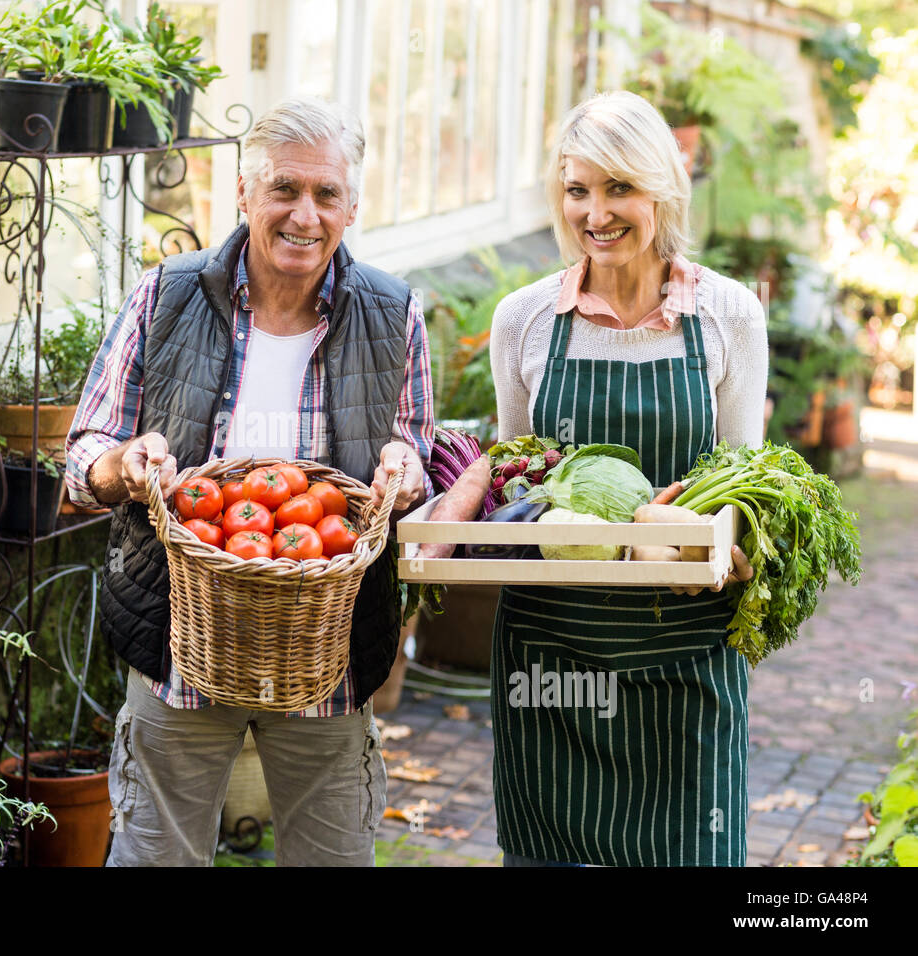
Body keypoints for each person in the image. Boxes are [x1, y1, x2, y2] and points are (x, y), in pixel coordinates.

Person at [65, 97, 434, 867]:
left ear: (353, 205)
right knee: (155, 857)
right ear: (242, 192)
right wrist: (123, 466)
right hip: (179, 642)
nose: (305, 215)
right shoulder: (165, 298)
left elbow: (412, 452)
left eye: (326, 194)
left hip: (325, 655)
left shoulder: (394, 314)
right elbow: (84, 453)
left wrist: (406, 475)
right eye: (284, 190)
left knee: (332, 859)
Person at [433, 91, 767, 866]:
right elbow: (522, 480)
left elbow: (745, 482)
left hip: (683, 653)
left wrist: (701, 536)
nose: (596, 212)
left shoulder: (727, 316)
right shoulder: (525, 319)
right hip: (551, 661)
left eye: (619, 188)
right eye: (578, 190)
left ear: (663, 191)